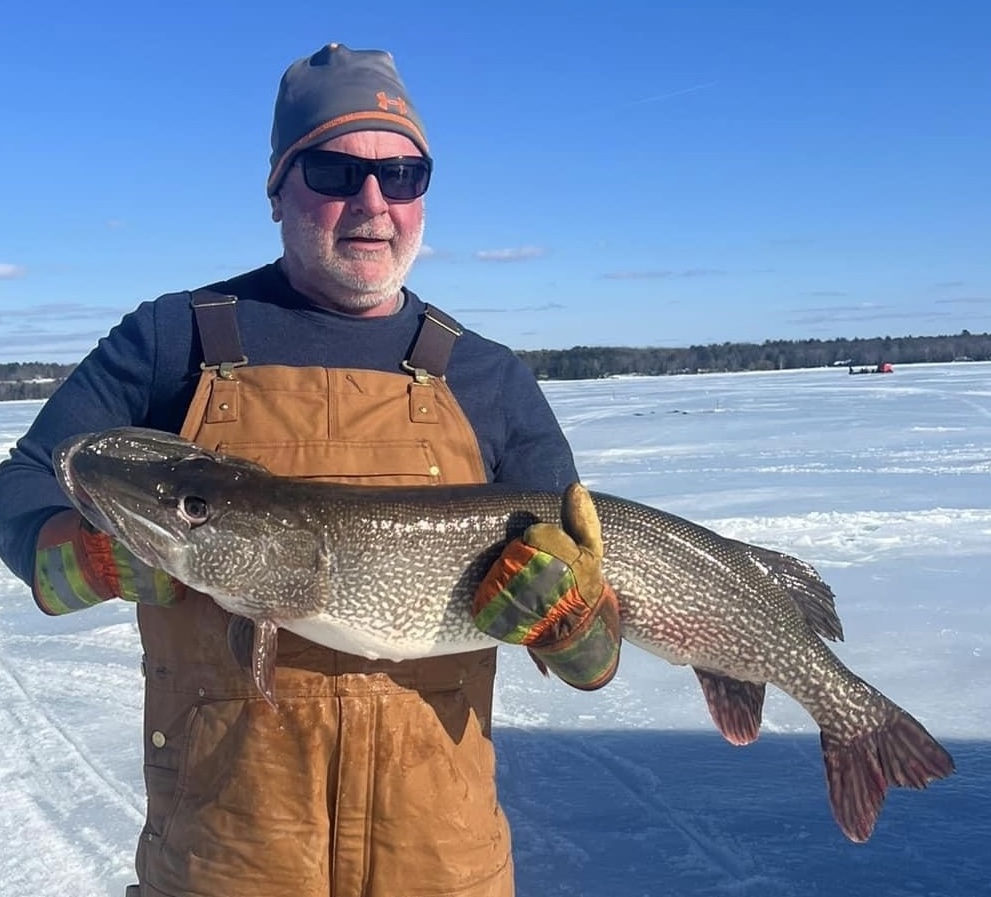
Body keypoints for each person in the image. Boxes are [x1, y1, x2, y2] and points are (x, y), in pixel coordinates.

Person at [0, 43, 620, 897]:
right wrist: (94, 557)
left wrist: (572, 624)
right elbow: (26, 485)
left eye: (402, 175)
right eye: (333, 171)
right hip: (221, 862)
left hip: (441, 866)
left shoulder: (489, 378)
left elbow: (598, 648)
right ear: (276, 189)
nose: (372, 202)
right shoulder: (173, 340)